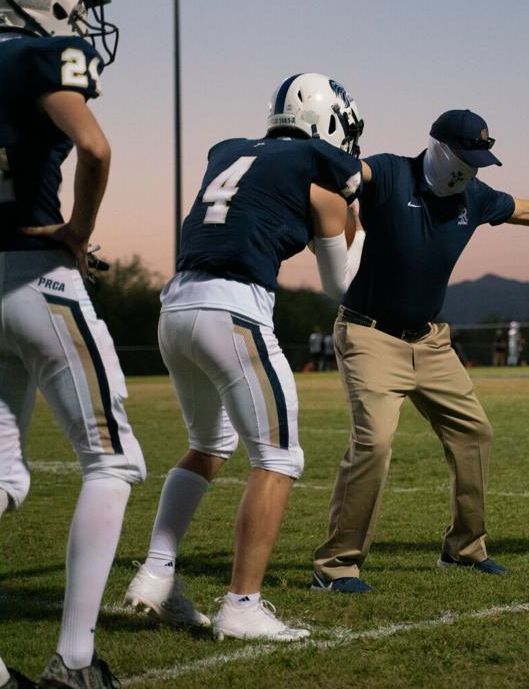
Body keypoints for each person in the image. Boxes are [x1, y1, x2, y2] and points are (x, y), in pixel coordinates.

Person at [310, 109, 529, 589]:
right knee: (373, 443)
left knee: (475, 434)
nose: (469, 171)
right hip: (369, 336)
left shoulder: (474, 197)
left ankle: (463, 549)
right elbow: (339, 176)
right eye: (464, 158)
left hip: (432, 342)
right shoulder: (390, 172)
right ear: (437, 147)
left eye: (478, 162)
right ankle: (337, 566)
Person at [123, 73, 365, 643]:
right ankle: (242, 603)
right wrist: (358, 223)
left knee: (210, 444)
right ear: (329, 124)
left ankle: (156, 575)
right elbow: (340, 282)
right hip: (232, 311)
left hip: (176, 308)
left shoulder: (231, 152)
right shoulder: (321, 177)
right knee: (279, 457)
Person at [0, 0, 146, 689]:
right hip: (34, 276)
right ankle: (75, 663)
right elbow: (93, 145)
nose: (84, 19)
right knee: (112, 459)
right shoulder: (40, 54)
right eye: (79, 4)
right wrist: (77, 232)